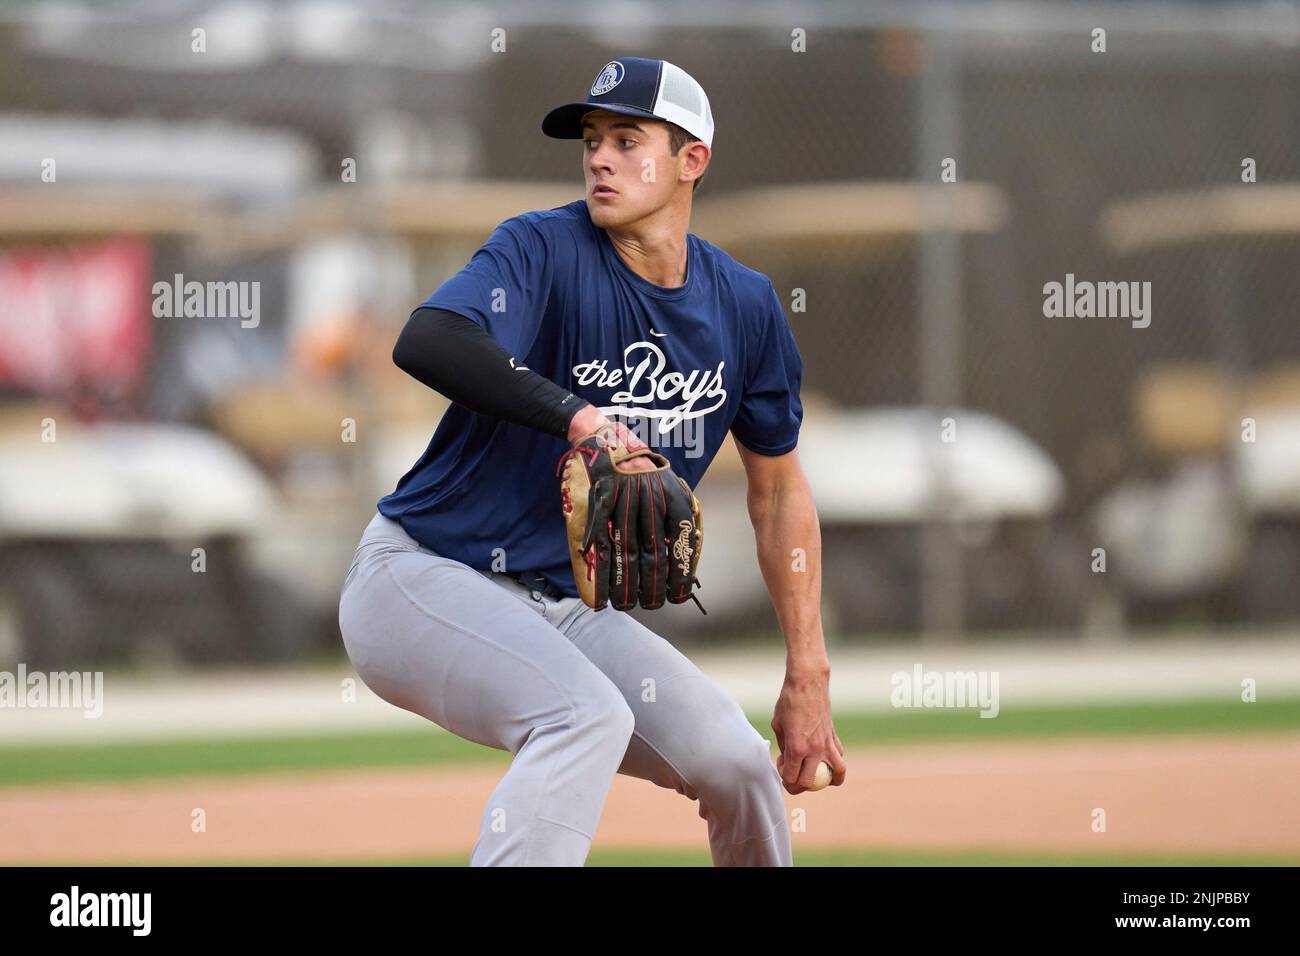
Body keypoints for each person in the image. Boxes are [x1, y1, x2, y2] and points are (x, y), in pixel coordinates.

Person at [338, 56, 845, 867]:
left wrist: (808, 670)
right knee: (584, 717)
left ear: (692, 161)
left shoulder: (744, 306)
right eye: (591, 139)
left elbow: (779, 492)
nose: (600, 157)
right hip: (421, 577)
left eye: (626, 138)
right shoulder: (541, 250)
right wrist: (582, 418)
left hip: (564, 609)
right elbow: (426, 339)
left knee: (738, 763)